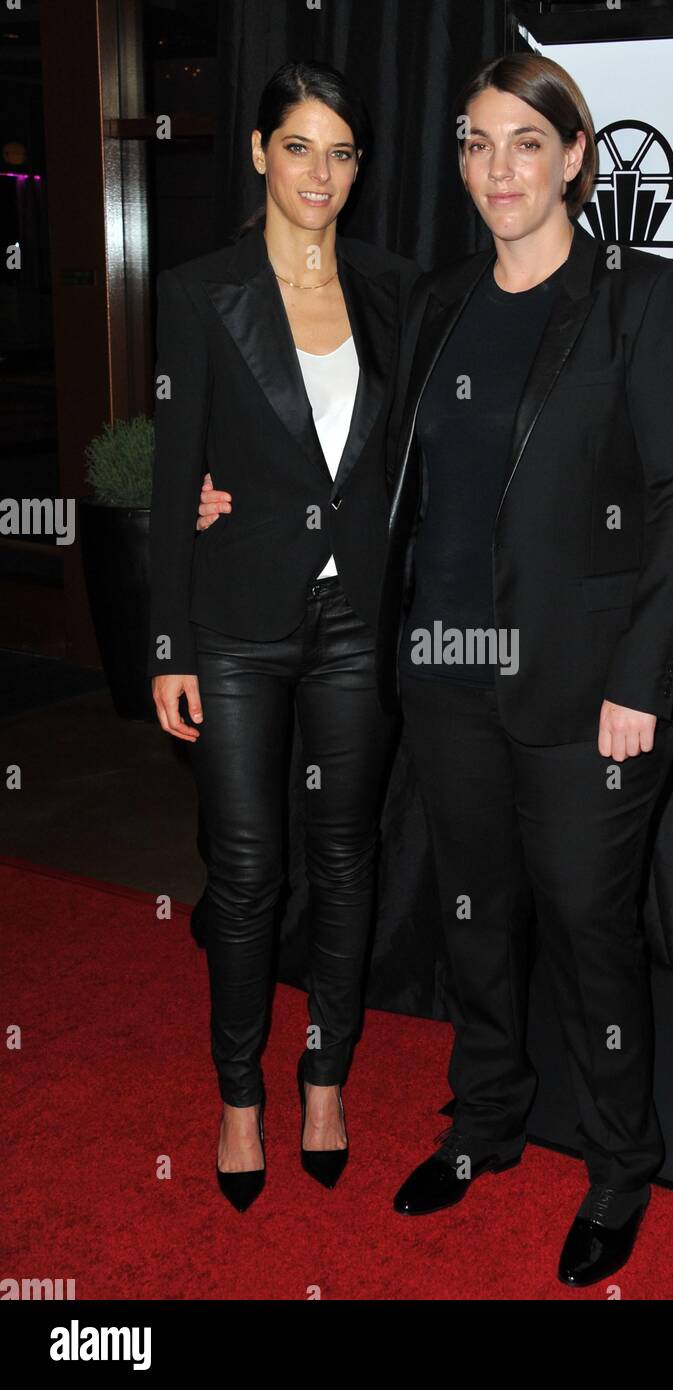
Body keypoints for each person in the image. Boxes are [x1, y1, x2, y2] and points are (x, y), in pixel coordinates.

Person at [374, 52, 673, 1286]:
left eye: (525, 141)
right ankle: (484, 1128)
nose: (496, 168)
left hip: (588, 693)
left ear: (577, 154)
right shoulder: (441, 302)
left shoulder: (640, 297)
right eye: (474, 142)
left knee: (588, 931)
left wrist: (643, 679)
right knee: (474, 918)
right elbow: (392, 480)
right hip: (450, 672)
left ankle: (622, 1167)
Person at [148, 60, 420, 1212]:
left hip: (357, 618)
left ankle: (325, 1075)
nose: (321, 172)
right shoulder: (201, 293)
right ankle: (239, 1096)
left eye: (343, 151)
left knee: (348, 857)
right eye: (299, 146)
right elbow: (172, 483)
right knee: (251, 870)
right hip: (237, 626)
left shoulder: (394, 290)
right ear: (260, 153)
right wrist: (166, 645)